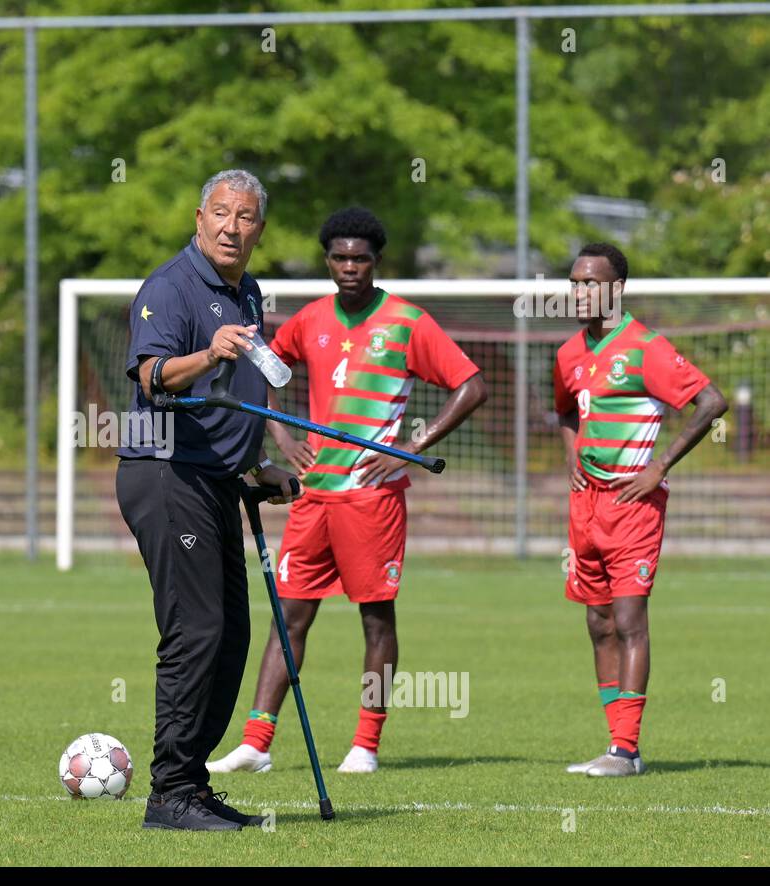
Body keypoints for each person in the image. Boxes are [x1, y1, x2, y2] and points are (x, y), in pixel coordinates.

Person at [208, 207, 487, 776]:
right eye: (339, 257)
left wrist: (410, 444)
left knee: (376, 620)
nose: (350, 267)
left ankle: (365, 745)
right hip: (313, 495)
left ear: (375, 261)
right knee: (288, 618)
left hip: (372, 499)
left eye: (360, 258)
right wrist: (280, 434)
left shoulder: (407, 322)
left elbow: (471, 384)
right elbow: (261, 368)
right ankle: (256, 744)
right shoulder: (309, 320)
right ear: (328, 261)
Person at [116, 169, 300, 831]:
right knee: (196, 631)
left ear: (259, 228)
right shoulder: (169, 288)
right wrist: (207, 352)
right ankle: (169, 796)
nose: (231, 226)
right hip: (166, 474)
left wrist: (260, 466)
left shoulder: (246, 291)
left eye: (245, 216)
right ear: (199, 218)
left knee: (230, 637)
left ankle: (192, 785)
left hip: (216, 479)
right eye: (220, 213)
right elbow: (154, 377)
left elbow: (235, 404)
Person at [556, 242, 726, 776]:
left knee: (630, 619)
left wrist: (662, 465)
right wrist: (570, 456)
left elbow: (711, 402)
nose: (582, 292)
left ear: (617, 287)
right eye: (576, 283)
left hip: (634, 506)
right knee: (598, 622)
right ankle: (616, 745)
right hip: (586, 505)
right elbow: (564, 410)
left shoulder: (646, 348)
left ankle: (626, 751)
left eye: (592, 283)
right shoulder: (567, 354)